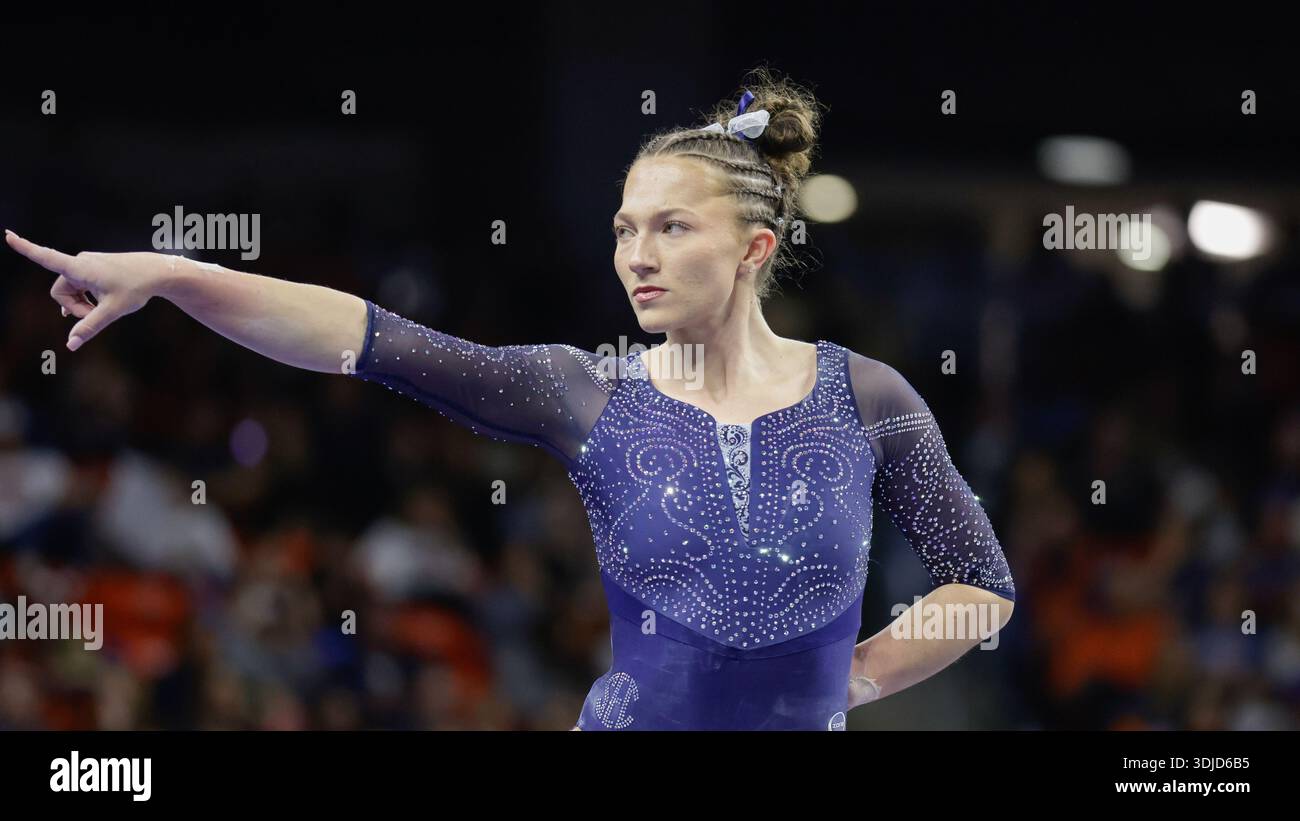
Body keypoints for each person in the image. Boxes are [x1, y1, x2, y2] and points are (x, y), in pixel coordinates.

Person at [6, 68, 1014, 730]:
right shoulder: (583, 392)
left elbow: (980, 580)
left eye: (669, 228)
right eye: (624, 229)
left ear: (753, 248)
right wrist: (176, 274)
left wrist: (857, 677)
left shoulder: (865, 395)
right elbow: (363, 335)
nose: (636, 256)